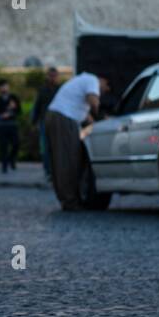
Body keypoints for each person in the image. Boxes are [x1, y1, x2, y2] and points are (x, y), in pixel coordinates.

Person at [45, 70, 111, 211]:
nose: (106, 90)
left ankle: (67, 200)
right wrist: (103, 115)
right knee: (68, 160)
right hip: (63, 118)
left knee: (61, 160)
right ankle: (70, 202)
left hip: (57, 117)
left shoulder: (82, 80)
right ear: (103, 80)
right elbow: (94, 102)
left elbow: (88, 117)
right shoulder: (92, 80)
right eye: (107, 87)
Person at [30, 65, 59, 180]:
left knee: (56, 147)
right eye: (51, 76)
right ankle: (48, 171)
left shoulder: (60, 89)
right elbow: (37, 106)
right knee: (46, 148)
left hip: (57, 122)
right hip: (44, 122)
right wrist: (34, 122)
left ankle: (56, 170)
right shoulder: (42, 90)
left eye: (54, 76)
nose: (52, 78)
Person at [0, 80, 21, 173]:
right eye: (1, 86)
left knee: (16, 144)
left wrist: (13, 108)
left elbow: (19, 111)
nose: (4, 88)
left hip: (12, 125)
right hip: (1, 126)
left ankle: (11, 159)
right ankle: (4, 166)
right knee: (3, 146)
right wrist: (2, 115)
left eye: (5, 86)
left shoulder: (13, 98)